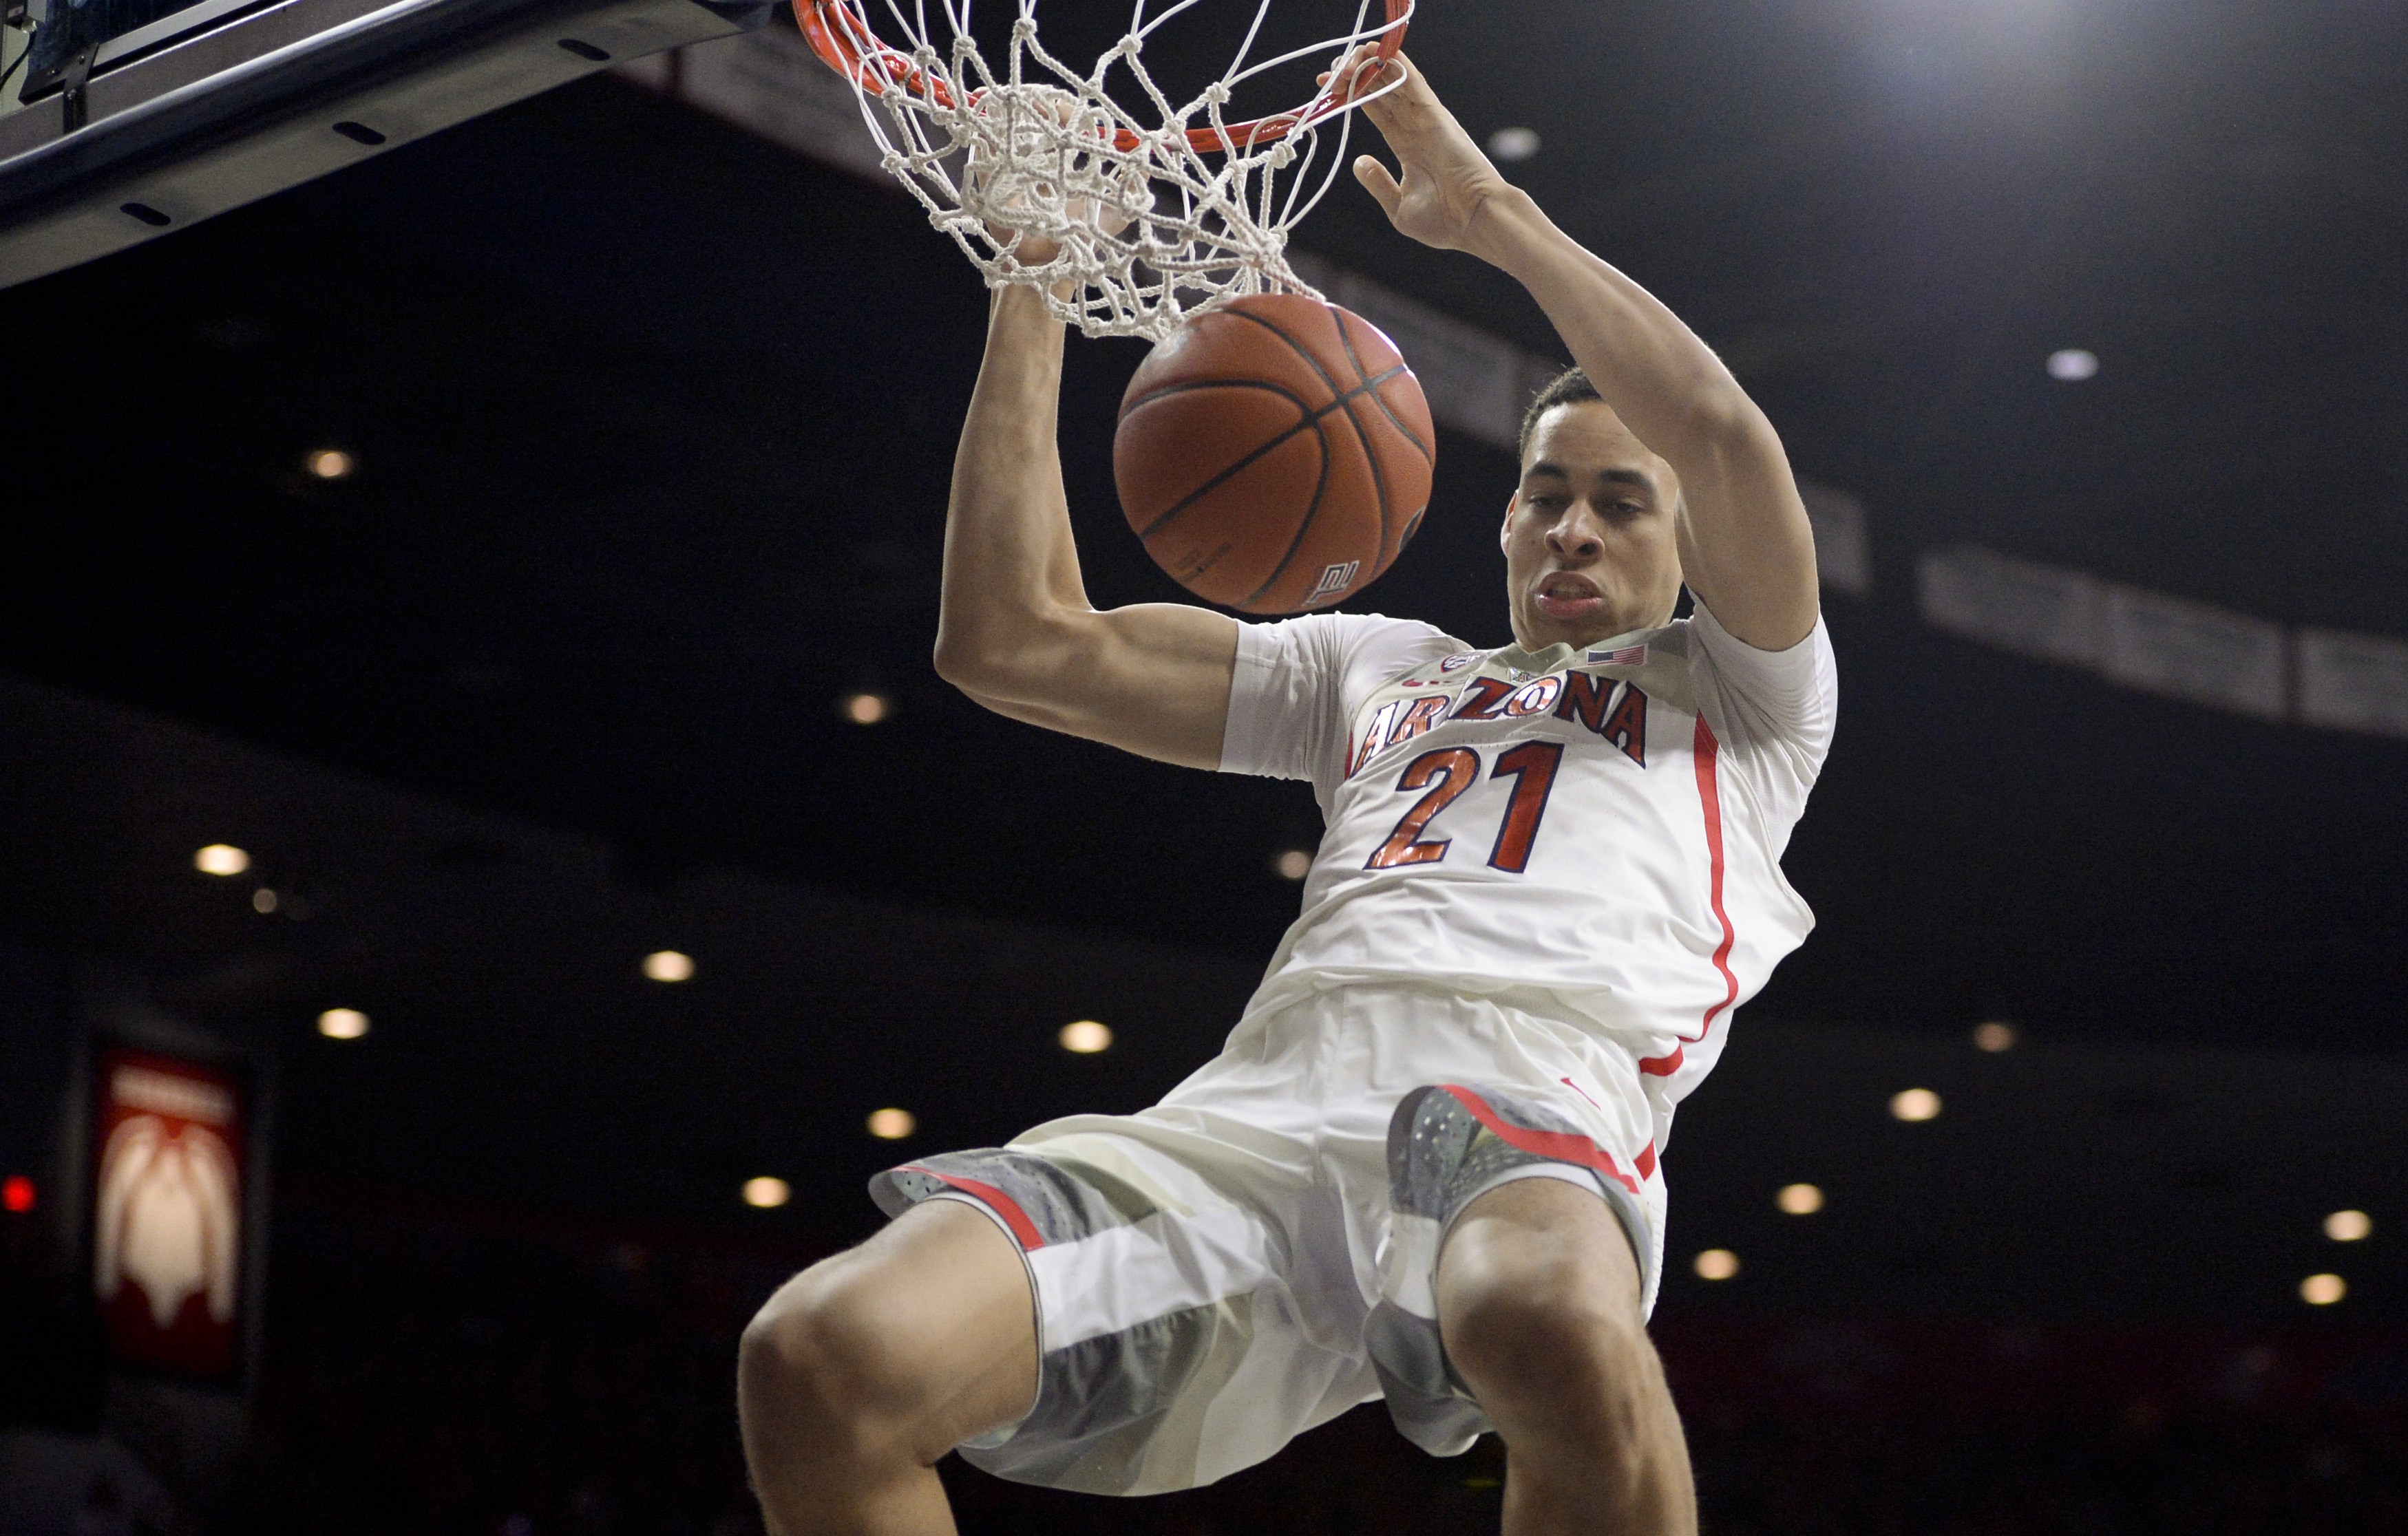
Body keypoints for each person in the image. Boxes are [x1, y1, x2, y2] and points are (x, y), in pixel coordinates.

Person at [737, 50, 1834, 1536]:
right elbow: (1015, 642)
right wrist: (1035, 269)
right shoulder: (1379, 669)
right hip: (1254, 1129)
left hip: (1523, 1104)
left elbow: (1716, 427)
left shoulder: (1750, 693)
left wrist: (1493, 216)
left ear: (1688, 545)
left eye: (1620, 500)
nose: (1571, 526)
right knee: (822, 1360)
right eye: (1544, 490)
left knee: (1553, 1330)